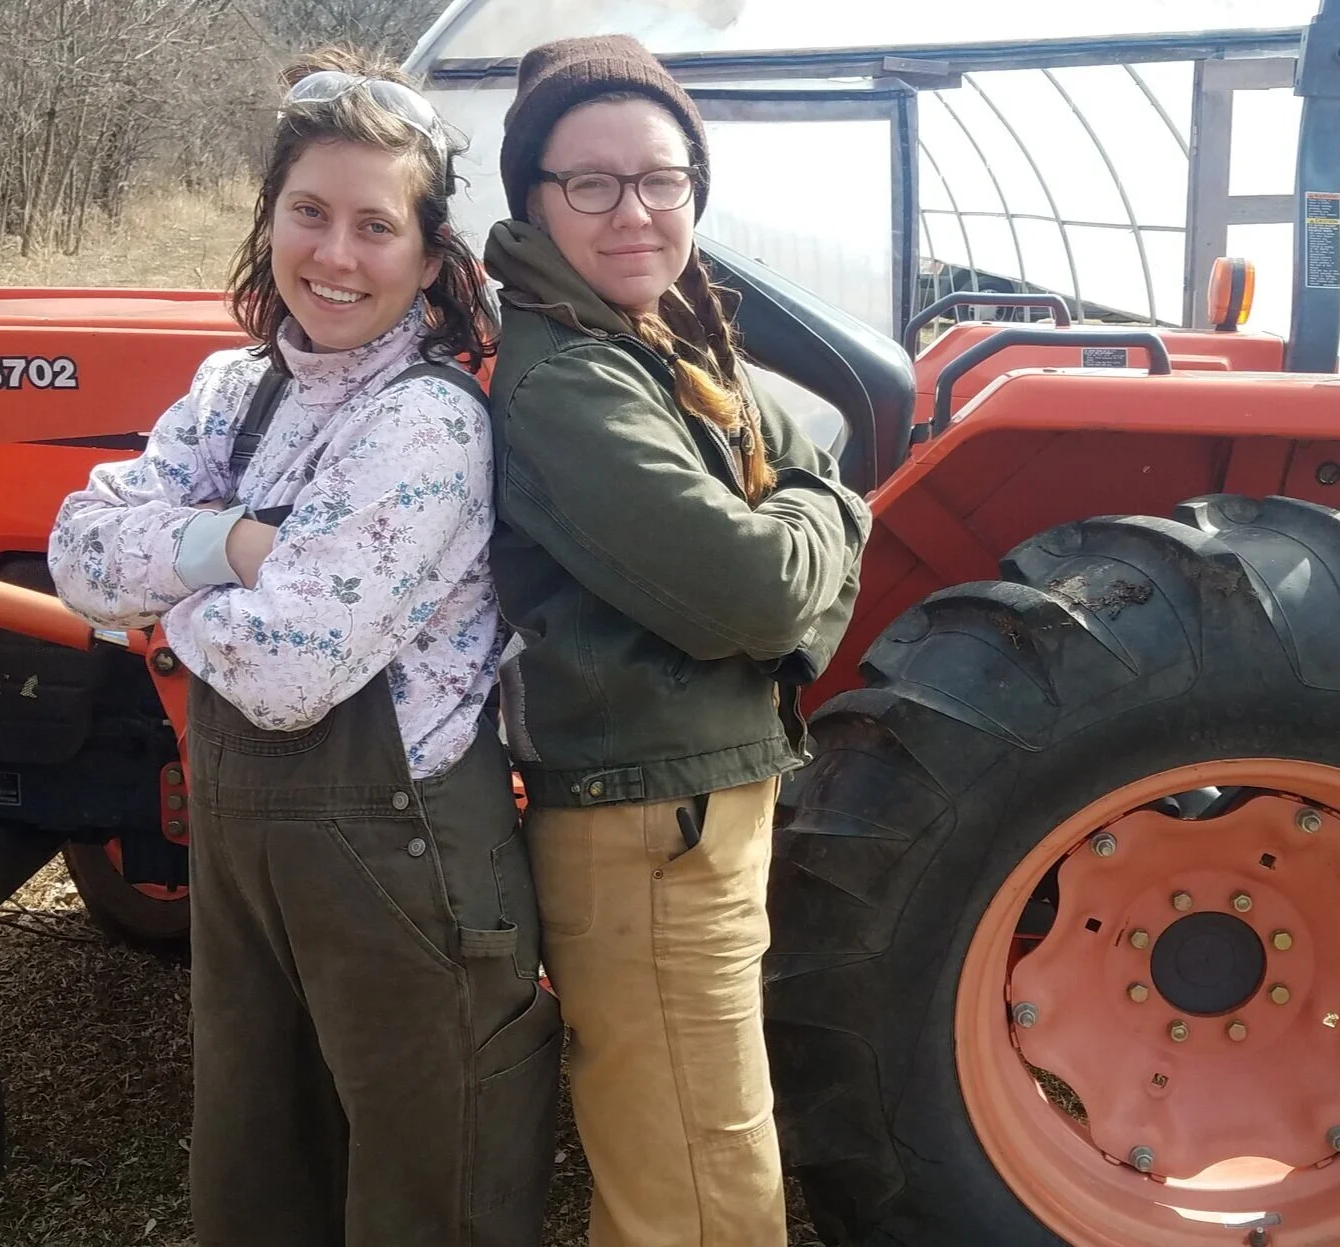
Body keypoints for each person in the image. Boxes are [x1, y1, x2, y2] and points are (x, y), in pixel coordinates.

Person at [47, 46, 560, 1247]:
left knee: (430, 1194)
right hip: (249, 863)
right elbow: (74, 553)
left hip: (408, 872)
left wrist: (163, 587)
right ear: (269, 217)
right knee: (261, 1172)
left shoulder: (427, 424)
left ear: (429, 258)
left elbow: (286, 671)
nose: (335, 254)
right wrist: (232, 544)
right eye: (309, 212)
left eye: (376, 226)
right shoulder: (234, 391)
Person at [478, 35, 871, 1247]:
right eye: (591, 182)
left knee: (698, 1159)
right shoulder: (570, 378)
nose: (634, 211)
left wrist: (808, 512)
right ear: (535, 199)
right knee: (703, 1191)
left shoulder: (665, 334)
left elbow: (813, 465)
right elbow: (760, 588)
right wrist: (823, 523)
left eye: (661, 178)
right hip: (649, 828)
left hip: (689, 806)